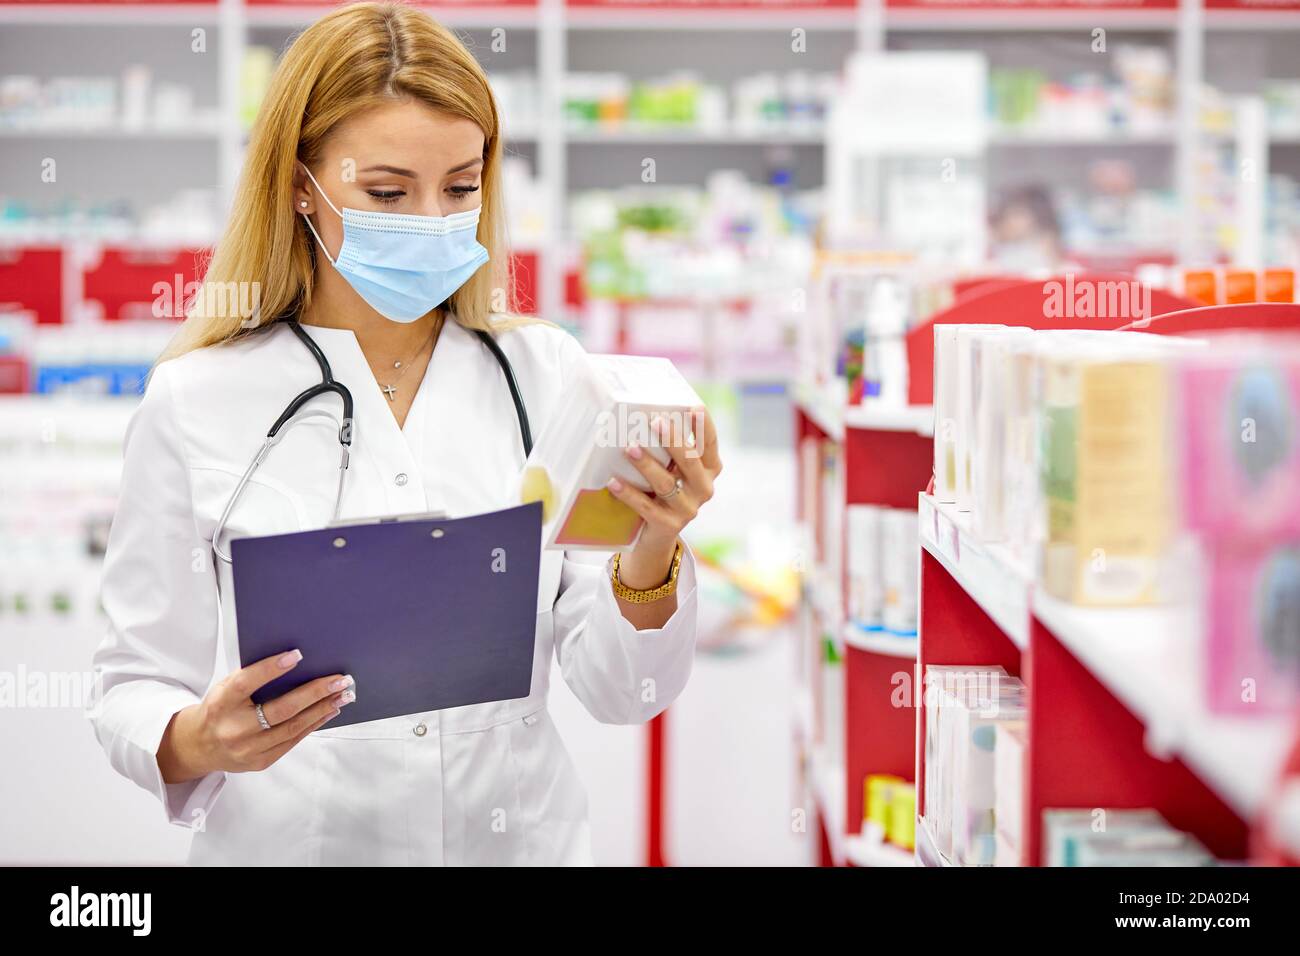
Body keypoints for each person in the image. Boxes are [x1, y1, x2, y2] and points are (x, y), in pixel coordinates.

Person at [88, 1, 720, 866]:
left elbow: (623, 691)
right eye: (388, 192)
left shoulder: (546, 376)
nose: (431, 219)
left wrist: (650, 549)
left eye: (460, 187)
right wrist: (199, 738)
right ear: (300, 184)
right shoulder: (197, 399)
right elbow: (131, 682)